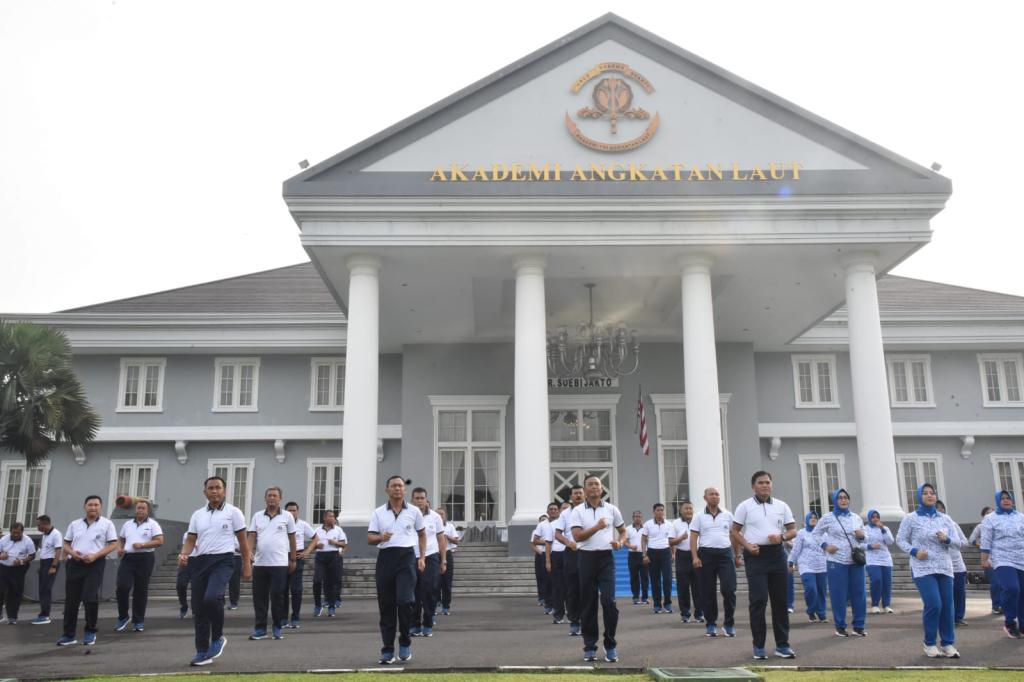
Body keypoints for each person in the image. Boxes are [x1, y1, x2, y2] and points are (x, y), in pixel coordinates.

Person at [178, 476, 252, 666]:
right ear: (205, 492)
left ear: (224, 491)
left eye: (218, 488)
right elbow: (191, 540)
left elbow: (243, 541)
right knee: (199, 608)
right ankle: (202, 651)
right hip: (201, 562)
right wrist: (184, 554)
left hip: (224, 560)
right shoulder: (197, 515)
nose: (214, 491)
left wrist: (247, 564)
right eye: (210, 488)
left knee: (212, 598)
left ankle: (217, 637)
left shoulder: (234, 512)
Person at [732, 471, 797, 660]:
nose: (765, 485)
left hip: (777, 555)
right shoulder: (745, 506)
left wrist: (782, 537)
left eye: (768, 482)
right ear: (753, 486)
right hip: (755, 555)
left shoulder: (781, 506)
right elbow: (735, 531)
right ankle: (758, 646)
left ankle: (782, 645)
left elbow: (793, 530)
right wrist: (746, 546)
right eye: (761, 483)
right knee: (758, 600)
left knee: (780, 602)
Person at [896, 483, 961, 658]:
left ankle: (948, 643)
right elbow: (900, 540)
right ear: (919, 496)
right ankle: (930, 643)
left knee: (947, 606)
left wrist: (946, 539)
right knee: (934, 604)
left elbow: (959, 543)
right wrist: (915, 551)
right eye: (925, 493)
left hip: (944, 567)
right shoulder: (910, 518)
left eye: (932, 493)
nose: (929, 496)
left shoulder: (945, 519)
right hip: (922, 567)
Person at [369, 475, 427, 664]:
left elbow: (422, 534)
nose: (397, 489)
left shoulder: (414, 512)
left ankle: (405, 642)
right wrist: (380, 538)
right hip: (386, 558)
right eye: (394, 486)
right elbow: (370, 538)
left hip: (407, 558)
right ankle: (387, 649)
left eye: (400, 486)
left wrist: (422, 557)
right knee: (386, 606)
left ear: (405, 490)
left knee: (405, 601)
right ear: (387, 490)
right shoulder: (378, 512)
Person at [570, 474, 627, 663]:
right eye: (590, 484)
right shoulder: (577, 511)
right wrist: (597, 527)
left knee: (609, 602)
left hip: (605, 559)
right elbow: (577, 537)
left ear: (602, 489)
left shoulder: (611, 509)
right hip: (585, 558)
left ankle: (610, 644)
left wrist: (620, 542)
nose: (594, 487)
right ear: (585, 490)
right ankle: (589, 646)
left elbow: (623, 531)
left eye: (597, 484)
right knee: (588, 604)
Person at [58, 495, 118, 646]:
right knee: (71, 601)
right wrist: (72, 554)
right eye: (90, 505)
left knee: (90, 598)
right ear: (85, 506)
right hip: (75, 564)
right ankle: (69, 634)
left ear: (100, 507)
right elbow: (65, 543)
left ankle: (90, 631)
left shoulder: (107, 524)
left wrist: (95, 555)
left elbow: (113, 544)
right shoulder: (75, 524)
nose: (93, 507)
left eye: (96, 505)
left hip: (95, 564)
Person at [812, 488, 868, 638]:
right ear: (835, 501)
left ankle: (859, 626)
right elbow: (815, 534)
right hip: (836, 561)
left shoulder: (856, 517)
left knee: (859, 593)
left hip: (855, 561)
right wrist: (826, 546)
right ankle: (840, 626)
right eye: (840, 498)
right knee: (839, 594)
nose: (843, 500)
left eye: (846, 497)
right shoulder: (827, 518)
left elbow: (865, 537)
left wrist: (862, 536)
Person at [248, 486, 296, 641]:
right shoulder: (257, 516)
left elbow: (292, 539)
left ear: (280, 498)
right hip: (260, 563)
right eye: (269, 495)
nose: (271, 498)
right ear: (265, 498)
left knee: (277, 596)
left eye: (275, 495)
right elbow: (252, 536)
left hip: (280, 563)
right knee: (259, 598)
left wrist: (293, 559)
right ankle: (260, 628)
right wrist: (249, 553)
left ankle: (277, 627)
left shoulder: (287, 516)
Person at [689, 486, 738, 638]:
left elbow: (734, 535)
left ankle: (729, 624)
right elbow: (693, 537)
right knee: (707, 592)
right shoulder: (698, 516)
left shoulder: (728, 515)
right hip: (706, 555)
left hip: (725, 555)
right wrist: (695, 557)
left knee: (729, 590)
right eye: (711, 494)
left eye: (717, 494)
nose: (715, 496)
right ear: (705, 498)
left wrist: (737, 555)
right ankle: (711, 623)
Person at [979, 490, 1024, 639]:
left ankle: (1022, 625)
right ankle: (1009, 622)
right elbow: (986, 540)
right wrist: (984, 559)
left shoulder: (1020, 517)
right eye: (1002, 498)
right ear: (998, 501)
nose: (1005, 501)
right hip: (1002, 558)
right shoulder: (990, 518)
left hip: (1021, 558)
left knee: (1022, 592)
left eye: (1008, 498)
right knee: (1012, 588)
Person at [115, 499, 164, 632]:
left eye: (143, 508)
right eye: (138, 508)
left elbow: (160, 541)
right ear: (135, 510)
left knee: (140, 590)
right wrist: (120, 548)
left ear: (147, 511)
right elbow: (121, 539)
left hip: (145, 558)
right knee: (122, 586)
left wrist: (143, 545)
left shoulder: (153, 524)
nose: (140, 510)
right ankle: (123, 616)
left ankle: (138, 620)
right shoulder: (127, 524)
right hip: (128, 558)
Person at [410, 487, 446, 637]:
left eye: (422, 498)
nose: (419, 501)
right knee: (413, 592)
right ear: (412, 500)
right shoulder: (407, 515)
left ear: (426, 500)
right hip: (411, 556)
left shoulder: (435, 517)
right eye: (416, 498)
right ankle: (415, 625)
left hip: (431, 556)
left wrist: (443, 561)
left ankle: (428, 623)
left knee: (430, 590)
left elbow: (441, 539)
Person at [555, 485, 585, 636]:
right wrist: (568, 542)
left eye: (580, 493)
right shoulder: (565, 514)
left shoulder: (590, 511)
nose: (578, 495)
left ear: (584, 495)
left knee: (587, 589)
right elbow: (558, 534)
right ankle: (574, 622)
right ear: (571, 497)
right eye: (575, 493)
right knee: (572, 589)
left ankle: (586, 620)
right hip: (571, 553)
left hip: (588, 552)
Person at [935, 500, 969, 626]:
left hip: (957, 565)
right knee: (943, 595)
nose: (939, 510)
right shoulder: (927, 526)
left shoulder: (952, 524)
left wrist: (948, 540)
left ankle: (958, 617)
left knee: (959, 592)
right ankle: (944, 618)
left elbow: (964, 543)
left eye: (941, 508)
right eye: (936, 508)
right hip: (940, 565)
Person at [789, 511, 827, 622]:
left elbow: (828, 549)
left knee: (821, 591)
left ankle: (821, 613)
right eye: (811, 517)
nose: (814, 519)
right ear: (807, 519)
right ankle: (811, 611)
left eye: (816, 517)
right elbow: (796, 549)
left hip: (822, 565)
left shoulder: (823, 534)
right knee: (811, 589)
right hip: (806, 566)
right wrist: (791, 562)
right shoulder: (801, 533)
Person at [284, 501, 317, 628]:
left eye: (294, 510)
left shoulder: (303, 525)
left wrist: (307, 551)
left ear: (298, 512)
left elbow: (316, 538)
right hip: (282, 557)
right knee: (282, 589)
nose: (292, 513)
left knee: (296, 589)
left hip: (297, 556)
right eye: (289, 510)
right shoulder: (281, 523)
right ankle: (282, 618)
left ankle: (295, 616)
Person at [641, 502, 676, 614]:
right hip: (652, 552)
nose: (660, 512)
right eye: (658, 510)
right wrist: (644, 554)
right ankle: (657, 604)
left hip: (665, 552)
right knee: (655, 580)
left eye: (662, 510)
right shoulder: (648, 524)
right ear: (653, 512)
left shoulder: (669, 524)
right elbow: (643, 540)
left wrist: (673, 553)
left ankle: (668, 603)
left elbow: (672, 541)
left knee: (667, 579)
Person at [671, 500, 702, 623]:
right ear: (681, 510)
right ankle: (685, 613)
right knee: (682, 586)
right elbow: (670, 542)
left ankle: (699, 613)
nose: (689, 511)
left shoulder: (698, 521)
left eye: (690, 508)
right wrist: (681, 538)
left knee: (698, 586)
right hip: (682, 556)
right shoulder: (675, 523)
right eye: (686, 509)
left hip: (698, 554)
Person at [312, 509, 347, 617]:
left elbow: (344, 544)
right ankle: (318, 605)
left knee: (333, 582)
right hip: (320, 557)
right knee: (317, 581)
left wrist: (335, 542)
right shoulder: (317, 530)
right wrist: (317, 546)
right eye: (330, 516)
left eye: (333, 516)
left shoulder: (338, 530)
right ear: (324, 518)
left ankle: (331, 607)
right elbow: (312, 545)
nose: (332, 518)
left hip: (334, 556)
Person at [0, 522, 36, 625]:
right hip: (3, 567)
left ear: (22, 532)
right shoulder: (3, 539)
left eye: (18, 533)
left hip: (18, 569)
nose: (16, 535)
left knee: (15, 592)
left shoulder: (28, 541)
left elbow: (32, 555)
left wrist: (22, 561)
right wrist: (1, 556)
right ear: (10, 531)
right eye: (14, 533)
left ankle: (12, 617)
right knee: (0, 590)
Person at [969, 506, 1000, 614]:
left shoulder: (999, 525)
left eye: (992, 512)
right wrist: (980, 544)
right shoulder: (980, 526)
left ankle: (1003, 605)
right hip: (988, 560)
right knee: (995, 583)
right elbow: (971, 539)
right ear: (983, 515)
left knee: (1004, 584)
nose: (990, 515)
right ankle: (996, 606)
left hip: (1001, 559)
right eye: (987, 513)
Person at [32, 514, 62, 625]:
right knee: (42, 589)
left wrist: (53, 566)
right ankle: (43, 613)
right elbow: (44, 551)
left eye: (38, 525)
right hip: (44, 563)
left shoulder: (56, 534)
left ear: (45, 524)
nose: (37, 527)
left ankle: (45, 615)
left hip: (51, 563)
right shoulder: (45, 535)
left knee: (46, 589)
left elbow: (58, 551)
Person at [864, 509, 895, 614]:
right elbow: (860, 544)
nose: (875, 519)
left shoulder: (884, 528)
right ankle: (875, 604)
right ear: (869, 518)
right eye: (873, 517)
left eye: (877, 516)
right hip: (872, 559)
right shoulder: (865, 529)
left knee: (887, 583)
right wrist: (870, 546)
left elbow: (890, 541)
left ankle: (886, 605)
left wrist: (882, 529)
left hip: (885, 559)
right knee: (877, 580)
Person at [543, 502, 567, 622]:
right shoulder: (552, 525)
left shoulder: (577, 522)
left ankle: (573, 613)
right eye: (563, 508)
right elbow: (548, 543)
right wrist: (548, 561)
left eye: (568, 508)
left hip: (572, 555)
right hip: (557, 555)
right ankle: (559, 614)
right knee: (557, 586)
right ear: (560, 511)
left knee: (572, 586)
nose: (565, 511)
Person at [437, 506, 460, 615]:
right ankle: (436, 604)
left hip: (447, 553)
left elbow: (456, 541)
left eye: (442, 514)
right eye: (438, 514)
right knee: (435, 582)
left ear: (445, 515)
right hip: (434, 555)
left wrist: (446, 537)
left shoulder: (450, 526)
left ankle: (446, 606)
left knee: (447, 582)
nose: (440, 516)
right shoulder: (432, 526)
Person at [626, 510, 650, 605]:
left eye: (640, 516)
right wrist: (630, 546)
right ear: (633, 518)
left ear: (642, 518)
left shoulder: (646, 529)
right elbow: (624, 541)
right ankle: (635, 597)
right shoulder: (628, 529)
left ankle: (645, 597)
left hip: (644, 554)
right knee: (634, 577)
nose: (638, 518)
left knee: (645, 577)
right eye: (636, 516)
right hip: (633, 555)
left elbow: (650, 540)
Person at [530, 513, 549, 608]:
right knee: (540, 577)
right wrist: (540, 552)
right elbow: (533, 544)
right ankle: (541, 597)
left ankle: (548, 597)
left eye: (545, 520)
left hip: (549, 554)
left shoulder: (550, 529)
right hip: (540, 555)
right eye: (542, 520)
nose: (543, 521)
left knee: (548, 578)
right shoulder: (535, 531)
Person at [176, 531, 194, 619]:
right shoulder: (187, 534)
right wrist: (181, 557)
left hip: (200, 561)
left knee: (197, 587)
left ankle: (196, 608)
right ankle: (184, 605)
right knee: (181, 585)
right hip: (187, 560)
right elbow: (185, 546)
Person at [227, 535, 242, 610]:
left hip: (236, 558)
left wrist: (233, 548)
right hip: (226, 557)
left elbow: (242, 549)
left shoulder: (238, 537)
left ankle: (234, 602)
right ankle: (220, 602)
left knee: (234, 581)